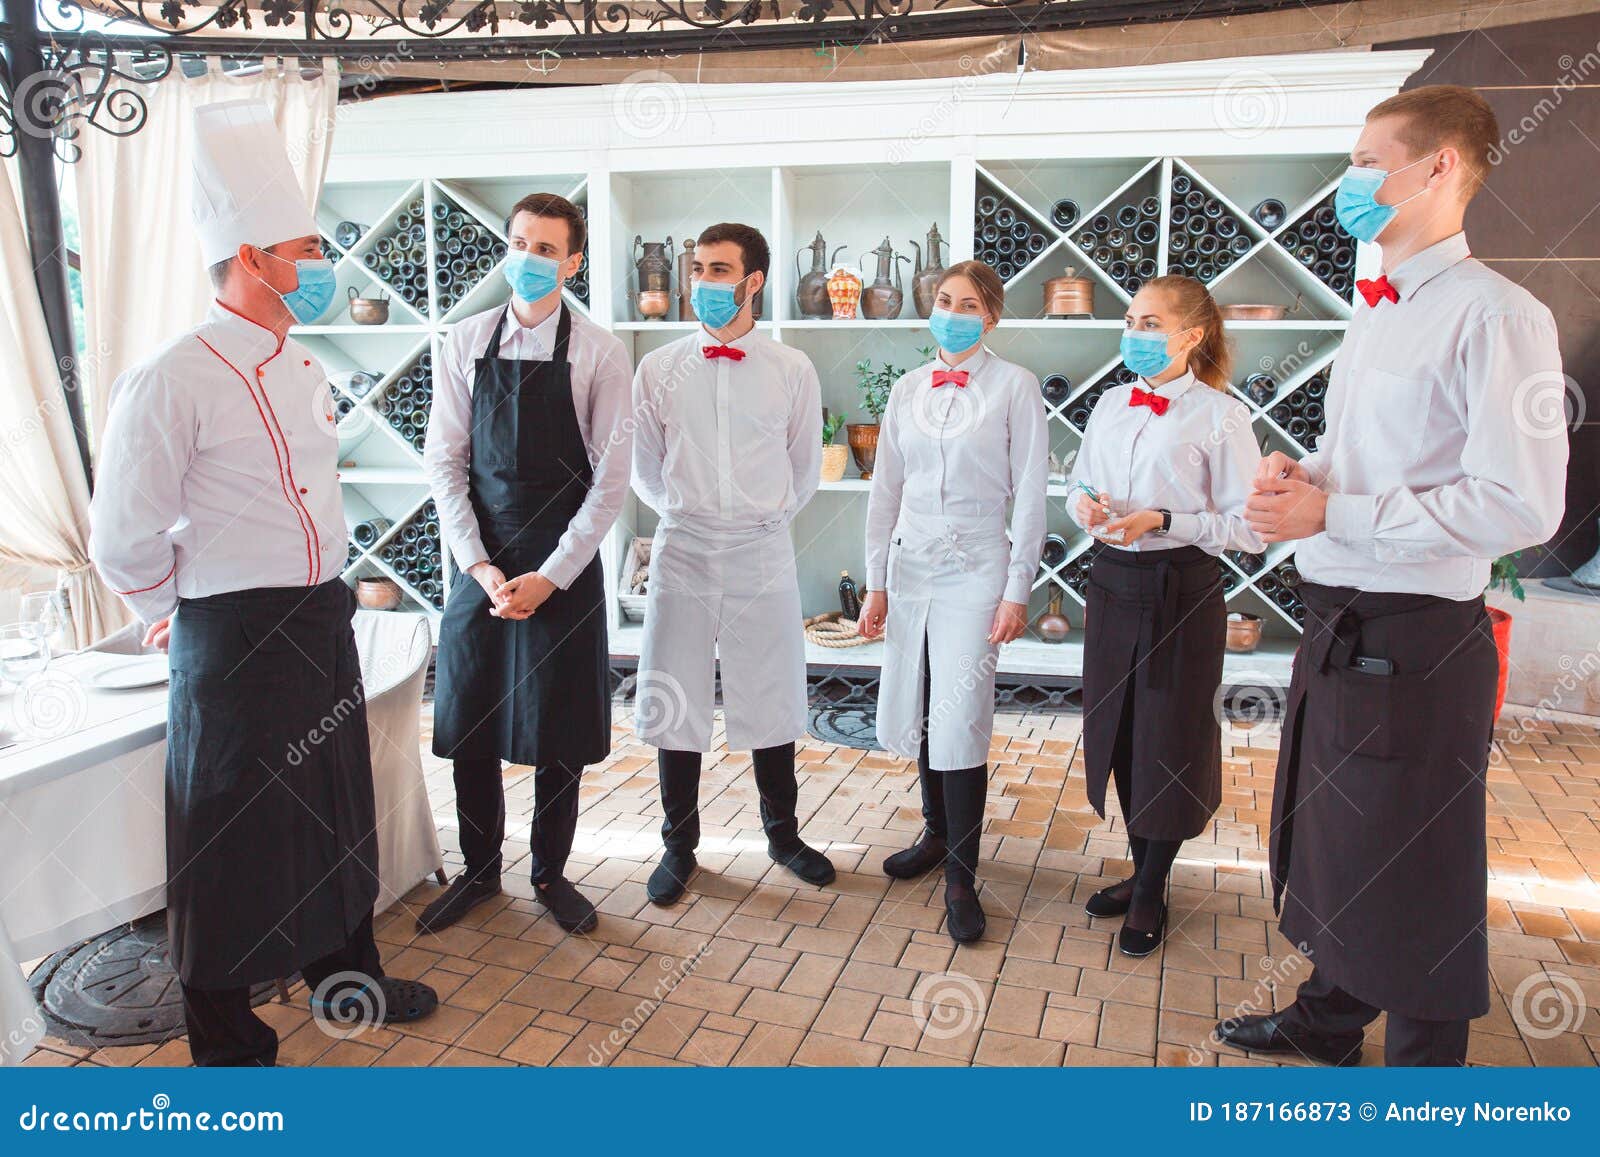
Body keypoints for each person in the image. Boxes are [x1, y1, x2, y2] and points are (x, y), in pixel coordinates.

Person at [1223, 84, 1567, 1067]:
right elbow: (1369, 459)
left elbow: (1521, 505)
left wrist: (1334, 513)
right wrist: (1306, 477)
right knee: (1340, 840)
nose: (1351, 180)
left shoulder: (1501, 317)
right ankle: (1328, 1022)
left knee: (1417, 872)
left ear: (1438, 168)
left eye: (1369, 161)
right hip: (1344, 621)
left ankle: (1423, 1083)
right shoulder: (1378, 308)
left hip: (1417, 641)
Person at [88, 100, 437, 1067]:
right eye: (306, 248)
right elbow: (121, 536)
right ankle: (228, 1035)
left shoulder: (303, 367)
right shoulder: (170, 376)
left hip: (318, 617)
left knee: (336, 809)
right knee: (228, 838)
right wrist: (173, 610)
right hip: (232, 640)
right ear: (250, 258)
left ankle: (348, 977)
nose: (322, 264)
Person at [419, 193, 632, 936]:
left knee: (558, 726)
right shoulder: (463, 340)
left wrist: (552, 575)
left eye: (546, 249)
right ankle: (479, 871)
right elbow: (445, 463)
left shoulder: (601, 352)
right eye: (520, 243)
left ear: (572, 263)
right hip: (481, 561)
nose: (530, 259)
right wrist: (477, 565)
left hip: (561, 564)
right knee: (470, 720)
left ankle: (549, 873)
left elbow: (610, 482)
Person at [631, 222, 835, 905]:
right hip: (684, 545)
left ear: (754, 281)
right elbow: (643, 467)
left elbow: (804, 468)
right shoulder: (658, 369)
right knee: (676, 691)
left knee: (771, 689)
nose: (703, 282)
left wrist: (761, 518)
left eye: (719, 270)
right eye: (697, 269)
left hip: (761, 547)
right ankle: (678, 846)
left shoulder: (791, 368)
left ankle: (784, 836)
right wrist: (686, 511)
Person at [1066, 275, 1265, 957]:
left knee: (1170, 741)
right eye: (1130, 320)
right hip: (1112, 582)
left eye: (1150, 323)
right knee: (1120, 732)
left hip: (1182, 590)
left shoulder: (1223, 416)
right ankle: (1139, 867)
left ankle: (1152, 885)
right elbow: (1079, 483)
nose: (1135, 334)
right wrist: (1085, 505)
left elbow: (1249, 528)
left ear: (1192, 335)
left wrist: (1164, 519)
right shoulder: (1110, 403)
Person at [856, 261, 1047, 943]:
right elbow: (885, 490)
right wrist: (876, 581)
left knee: (960, 714)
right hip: (911, 565)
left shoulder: (1016, 386)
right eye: (944, 300)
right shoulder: (907, 388)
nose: (953, 313)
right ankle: (935, 834)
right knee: (919, 699)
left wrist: (1018, 588)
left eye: (969, 304)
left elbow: (1032, 492)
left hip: (976, 566)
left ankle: (963, 877)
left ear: (991, 317)